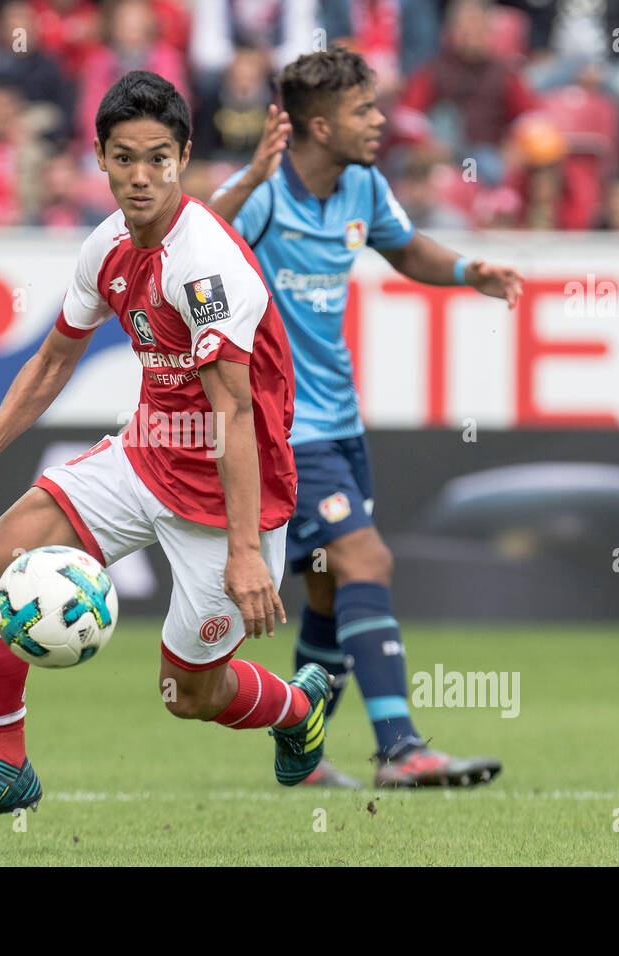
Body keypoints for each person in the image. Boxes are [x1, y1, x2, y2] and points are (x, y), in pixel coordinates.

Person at [0, 70, 332, 834]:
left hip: (225, 495)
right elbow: (52, 360)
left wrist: (245, 551)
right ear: (100, 159)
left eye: (159, 158)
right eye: (124, 157)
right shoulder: (106, 244)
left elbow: (234, 411)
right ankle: (5, 769)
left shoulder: (201, 266)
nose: (140, 176)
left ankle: (298, 707)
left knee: (188, 697)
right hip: (145, 455)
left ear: (182, 158)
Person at [210, 48, 522, 788]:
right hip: (283, 426)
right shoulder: (261, 194)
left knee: (326, 588)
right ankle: (400, 749)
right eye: (364, 111)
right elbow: (185, 242)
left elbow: (405, 248)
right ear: (319, 125)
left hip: (341, 421)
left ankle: (305, 761)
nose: (381, 122)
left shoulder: (364, 187)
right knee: (366, 560)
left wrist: (464, 272)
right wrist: (247, 177)